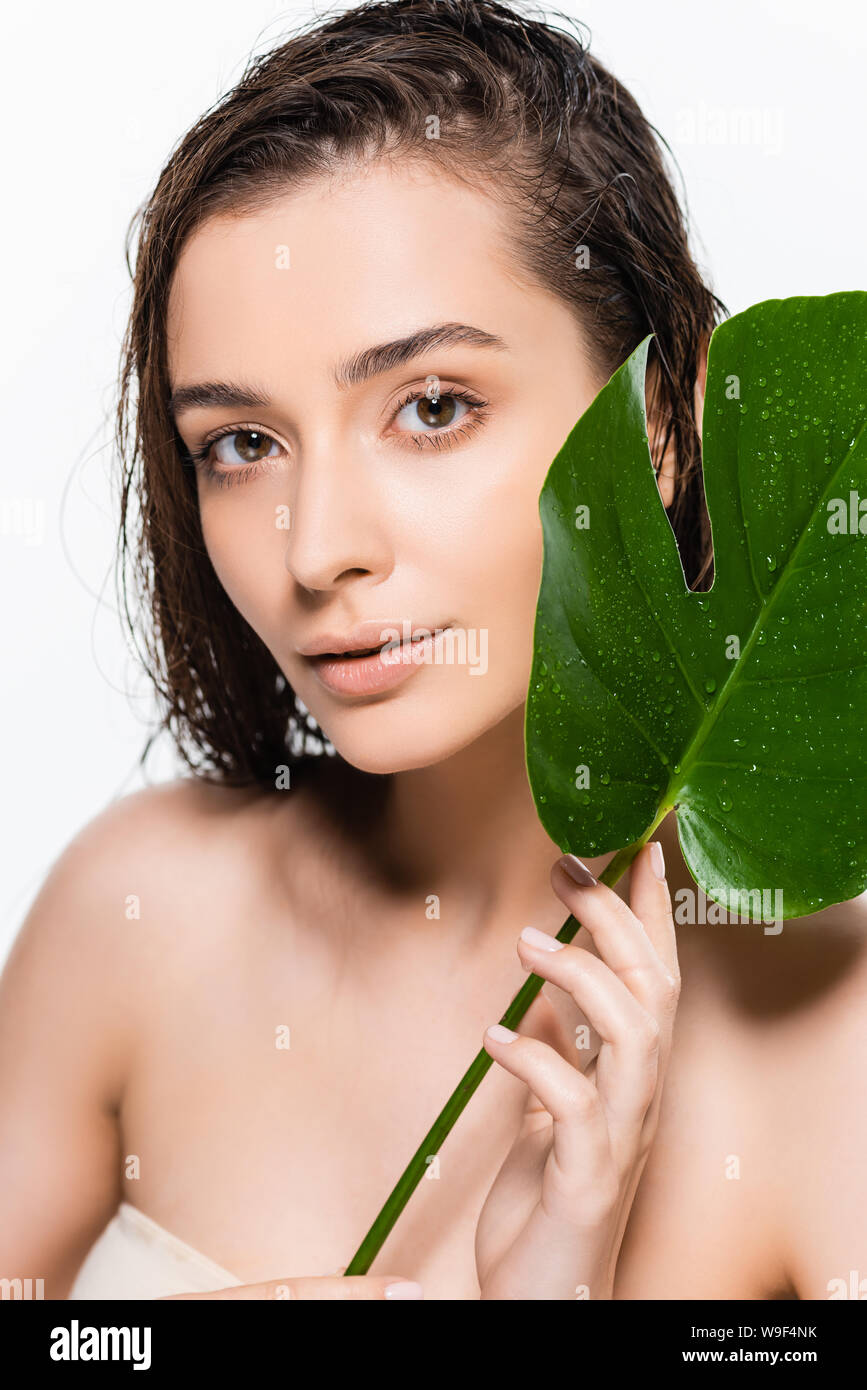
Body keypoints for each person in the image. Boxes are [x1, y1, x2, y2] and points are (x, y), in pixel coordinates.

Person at [1, 0, 864, 1302]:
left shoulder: (830, 1044)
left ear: (664, 429)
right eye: (242, 442)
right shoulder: (136, 913)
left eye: (431, 407)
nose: (316, 550)